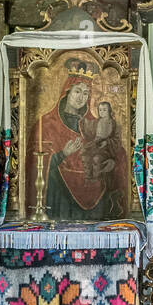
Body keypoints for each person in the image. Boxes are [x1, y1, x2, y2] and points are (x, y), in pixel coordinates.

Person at [37, 71, 125, 218]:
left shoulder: (93, 124)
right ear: (67, 92)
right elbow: (35, 163)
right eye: (77, 91)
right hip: (61, 197)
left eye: (85, 93)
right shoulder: (46, 124)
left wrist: (112, 161)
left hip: (95, 197)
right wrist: (62, 154)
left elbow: (117, 151)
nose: (81, 97)